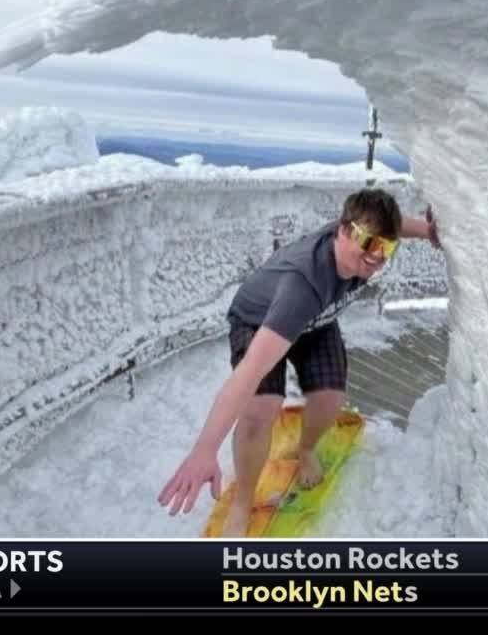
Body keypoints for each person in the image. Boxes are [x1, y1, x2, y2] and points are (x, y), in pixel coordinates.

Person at [157, 187, 440, 536]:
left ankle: (305, 449)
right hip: (260, 320)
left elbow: (395, 227)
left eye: (386, 249)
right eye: (368, 245)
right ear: (343, 230)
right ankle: (243, 502)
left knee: (330, 400)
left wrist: (429, 232)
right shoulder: (301, 286)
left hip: (316, 321)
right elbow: (247, 376)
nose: (375, 259)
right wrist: (204, 450)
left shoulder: (357, 237)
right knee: (261, 408)